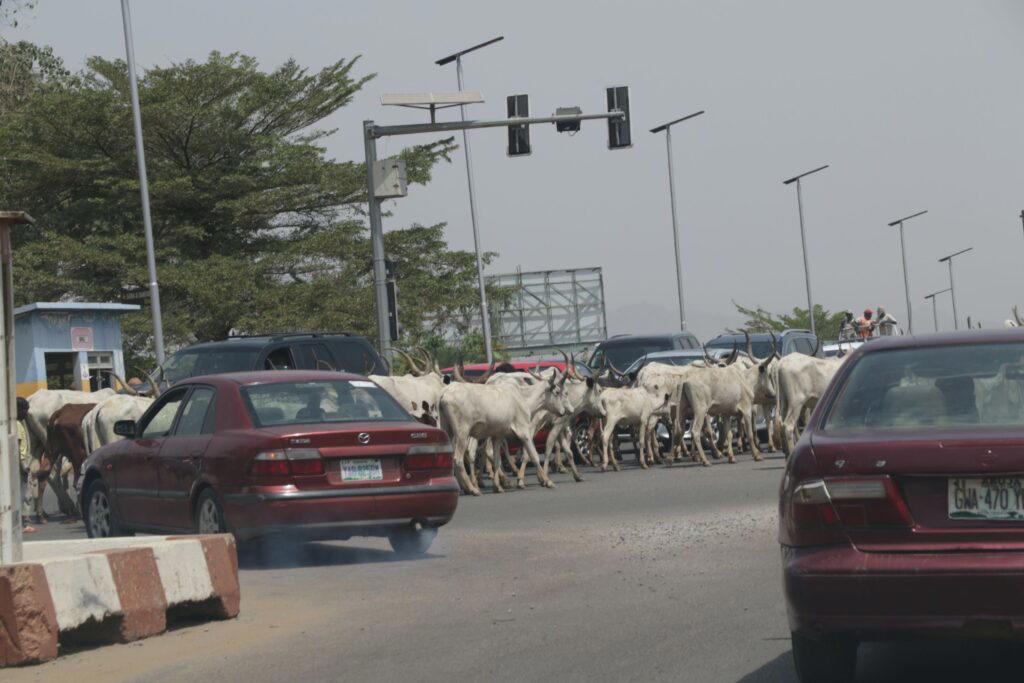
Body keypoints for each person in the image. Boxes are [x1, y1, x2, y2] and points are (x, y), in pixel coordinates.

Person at [17, 397, 36, 534]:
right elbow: (17, 449)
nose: (26, 413)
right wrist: (22, 467)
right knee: (25, 494)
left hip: (18, 462)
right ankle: (25, 524)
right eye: (25, 410)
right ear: (18, 410)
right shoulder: (17, 425)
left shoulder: (14, 424)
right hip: (21, 462)